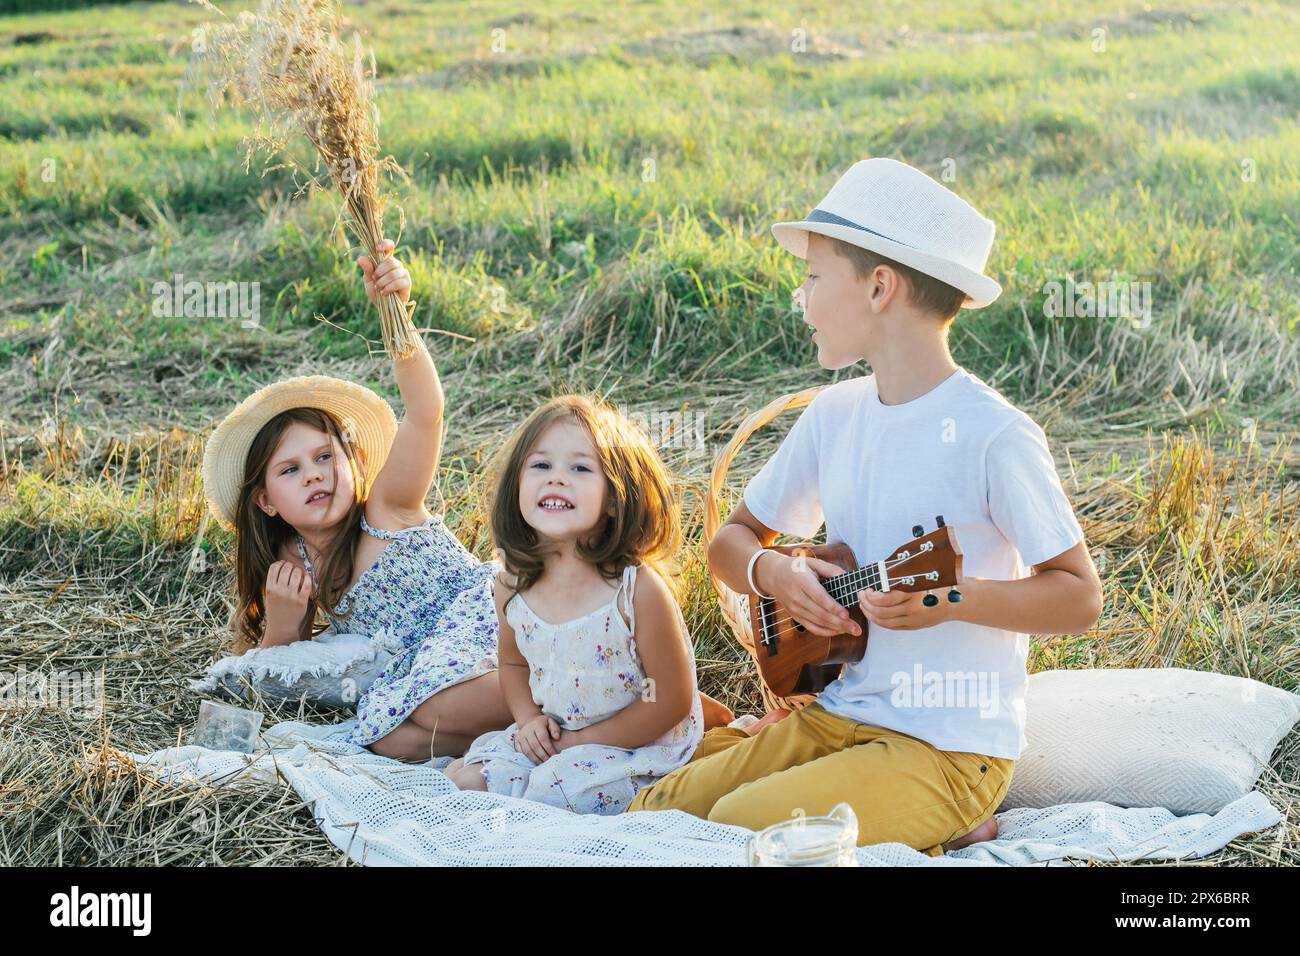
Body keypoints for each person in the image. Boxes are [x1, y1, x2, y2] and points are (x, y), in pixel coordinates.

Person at [625, 158, 1104, 856]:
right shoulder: (835, 415)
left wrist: (950, 598)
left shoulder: (994, 435)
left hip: (945, 745)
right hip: (835, 713)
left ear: (879, 287)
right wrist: (775, 574)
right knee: (655, 812)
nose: (803, 296)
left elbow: (1080, 599)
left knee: (736, 834)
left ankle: (943, 813)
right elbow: (730, 543)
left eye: (815, 278)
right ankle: (913, 826)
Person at [200, 239, 510, 760]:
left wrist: (398, 316)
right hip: (418, 675)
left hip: (483, 625)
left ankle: (577, 699)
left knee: (434, 710)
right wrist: (280, 622)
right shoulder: (294, 565)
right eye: (291, 470)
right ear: (266, 501)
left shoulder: (387, 508)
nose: (314, 476)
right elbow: (276, 676)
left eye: (325, 457)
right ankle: (534, 736)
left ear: (352, 462)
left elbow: (426, 412)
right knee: (384, 736)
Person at [444, 394, 703, 813]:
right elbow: (513, 665)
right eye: (541, 465)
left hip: (637, 744)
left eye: (580, 468)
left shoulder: (635, 590)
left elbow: (670, 699)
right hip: (558, 733)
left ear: (616, 499)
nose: (556, 479)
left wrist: (583, 741)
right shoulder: (512, 582)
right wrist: (528, 720)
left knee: (554, 794)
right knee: (468, 781)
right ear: (517, 487)